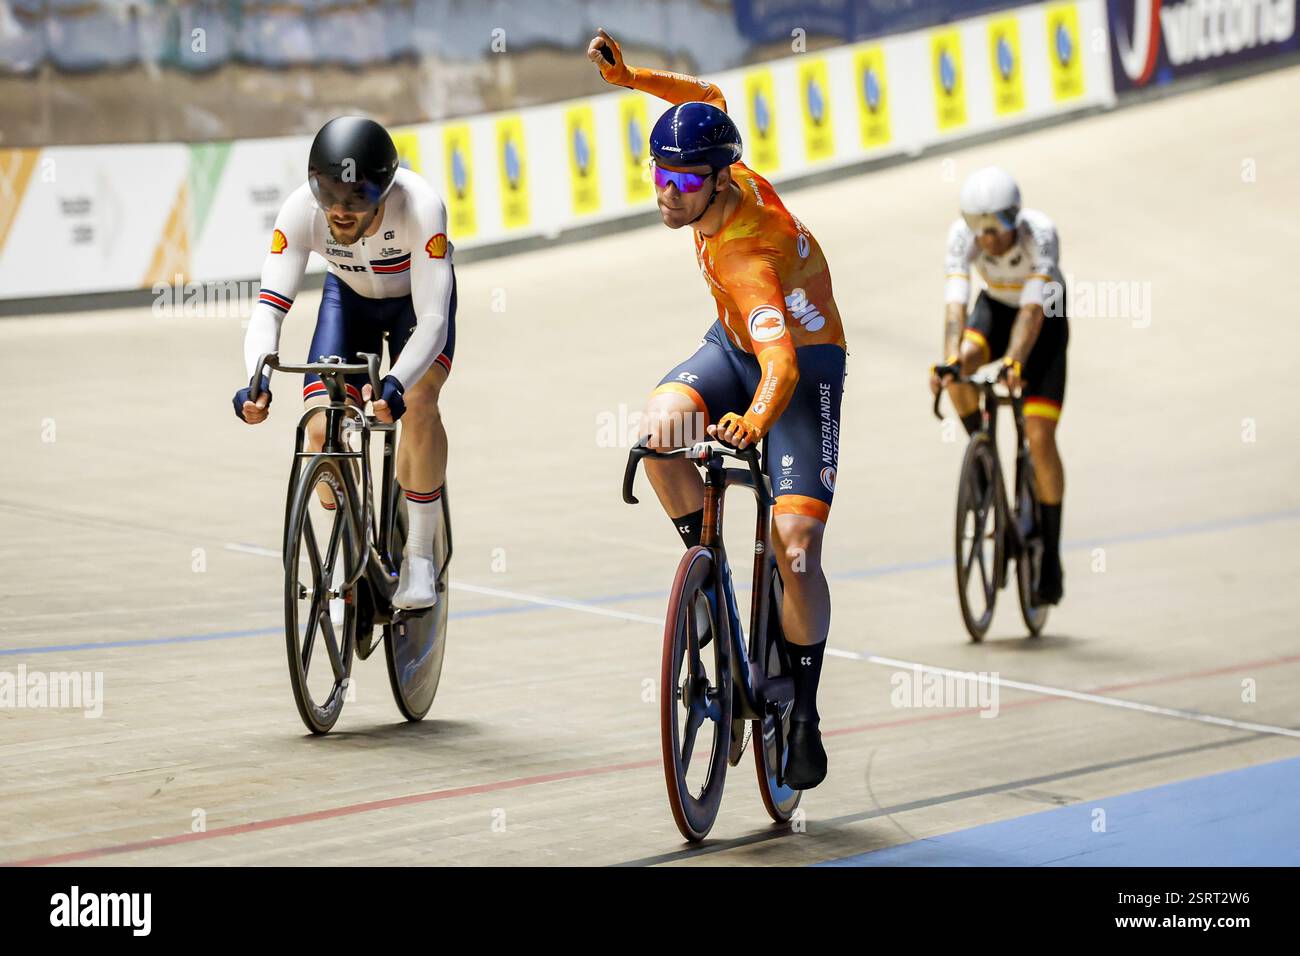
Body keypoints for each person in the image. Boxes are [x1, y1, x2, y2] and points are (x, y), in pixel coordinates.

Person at [587, 29, 847, 789]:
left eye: (680, 184)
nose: (665, 195)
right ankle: (705, 570)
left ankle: (803, 705)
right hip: (733, 342)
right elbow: (702, 98)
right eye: (657, 176)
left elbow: (783, 365)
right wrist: (632, 77)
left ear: (716, 179)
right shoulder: (715, 159)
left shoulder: (745, 251)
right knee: (659, 434)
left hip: (801, 366)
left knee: (795, 540)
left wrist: (755, 424)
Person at [232, 116, 456, 610]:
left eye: (356, 199)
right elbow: (269, 306)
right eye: (329, 193)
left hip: (412, 309)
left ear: (384, 189)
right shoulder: (300, 210)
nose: (340, 210)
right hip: (348, 300)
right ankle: (343, 556)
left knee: (418, 402)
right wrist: (256, 374)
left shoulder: (420, 206)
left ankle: (419, 555)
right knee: (318, 430)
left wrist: (397, 380)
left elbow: (434, 319)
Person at [931, 166, 1069, 605]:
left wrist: (1014, 362)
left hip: (1043, 319)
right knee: (959, 370)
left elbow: (1031, 315)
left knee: (1039, 436)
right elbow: (956, 304)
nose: (986, 239)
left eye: (995, 228)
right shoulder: (962, 237)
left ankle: (1050, 555)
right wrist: (951, 360)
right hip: (995, 307)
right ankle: (986, 461)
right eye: (979, 229)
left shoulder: (1040, 235)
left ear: (1013, 218)